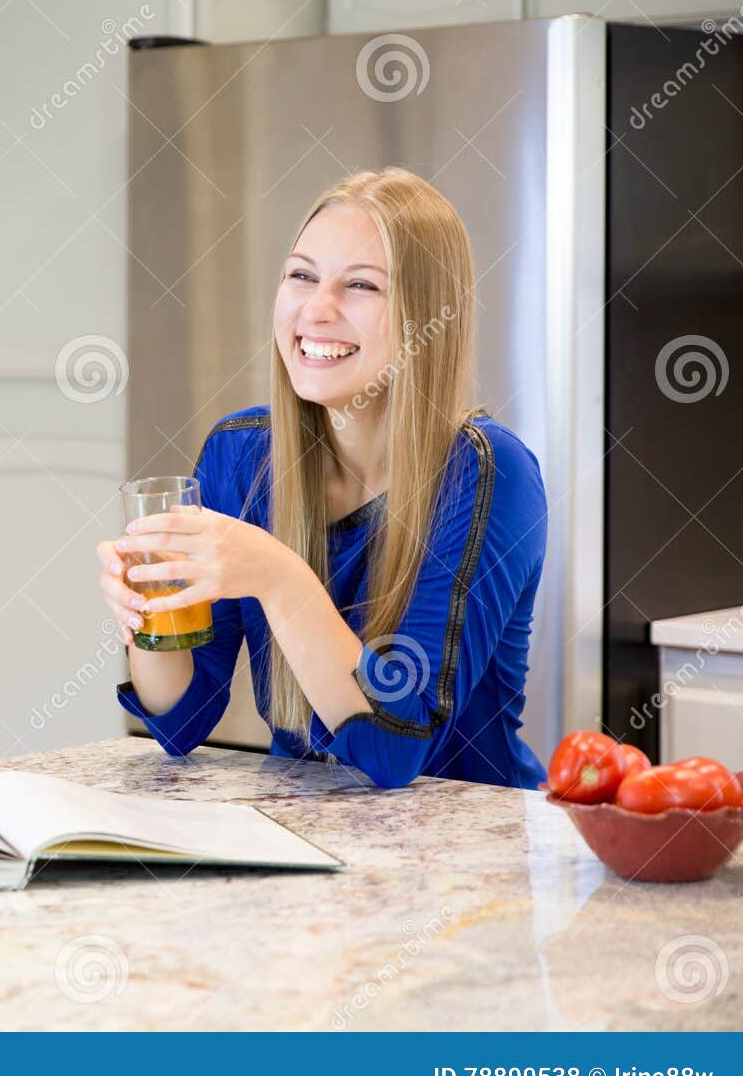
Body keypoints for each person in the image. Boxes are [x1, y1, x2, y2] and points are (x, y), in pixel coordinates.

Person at [97, 168, 547, 789]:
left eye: (360, 285)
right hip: (307, 844)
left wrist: (280, 578)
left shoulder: (487, 474)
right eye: (301, 276)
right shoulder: (241, 455)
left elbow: (394, 752)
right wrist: (149, 612)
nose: (317, 309)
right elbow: (182, 722)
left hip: (473, 850)